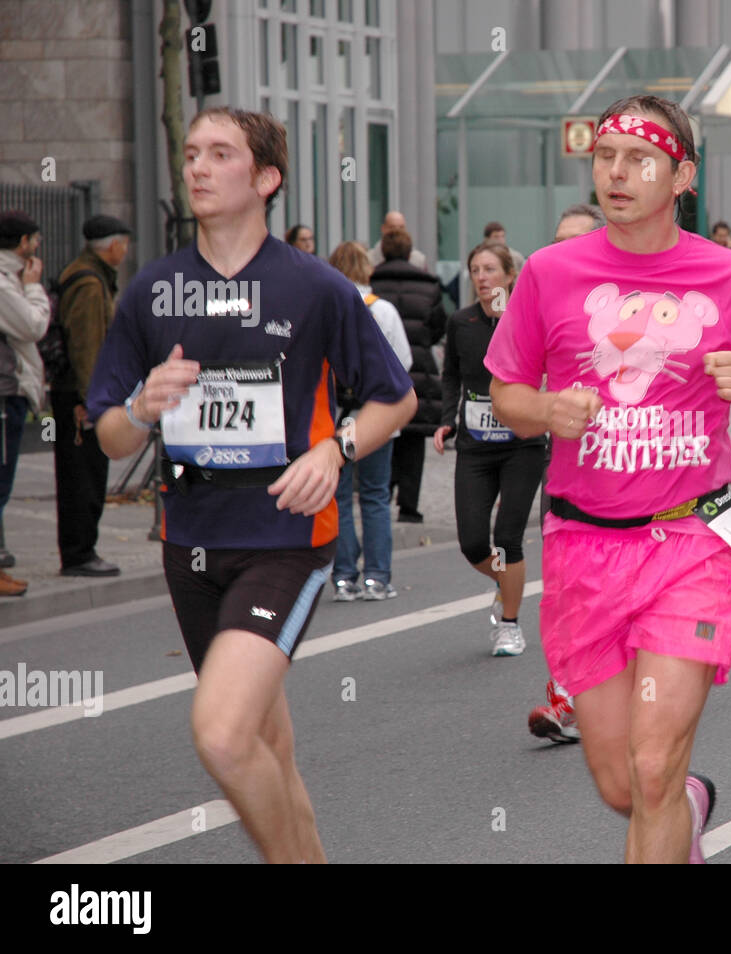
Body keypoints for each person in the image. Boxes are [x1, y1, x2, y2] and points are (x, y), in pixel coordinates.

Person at [87, 107, 415, 863]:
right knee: (267, 745)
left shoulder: (317, 289)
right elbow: (108, 433)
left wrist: (334, 450)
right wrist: (140, 407)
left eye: (220, 154)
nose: (197, 167)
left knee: (223, 733)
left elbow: (393, 398)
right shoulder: (154, 291)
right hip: (192, 540)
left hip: (287, 535)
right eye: (193, 153)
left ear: (265, 178)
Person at [487, 95, 731, 863]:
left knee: (653, 766)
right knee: (624, 786)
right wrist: (547, 410)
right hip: (582, 548)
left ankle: (673, 798)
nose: (616, 174)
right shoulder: (552, 273)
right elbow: (505, 395)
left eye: (639, 159)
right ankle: (688, 809)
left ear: (681, 174)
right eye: (605, 157)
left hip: (691, 542)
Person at [435, 242, 546, 658]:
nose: (482, 277)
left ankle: (510, 625)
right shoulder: (460, 322)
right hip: (476, 446)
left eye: (489, 269)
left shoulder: (529, 319)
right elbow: (451, 376)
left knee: (506, 539)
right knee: (473, 543)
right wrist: (447, 418)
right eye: (475, 270)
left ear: (509, 275)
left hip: (523, 444)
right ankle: (507, 583)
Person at [525, 204, 608, 745]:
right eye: (557, 241)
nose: (564, 253)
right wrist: (542, 407)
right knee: (567, 593)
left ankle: (612, 692)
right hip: (570, 479)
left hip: (643, 486)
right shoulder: (544, 300)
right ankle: (566, 698)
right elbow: (512, 385)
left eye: (577, 241)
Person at [328, 241, 413, 601]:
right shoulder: (386, 311)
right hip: (378, 417)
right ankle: (376, 577)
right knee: (376, 495)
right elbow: (404, 364)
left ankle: (344, 576)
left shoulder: (326, 310)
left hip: (338, 418)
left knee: (341, 497)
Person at [53, 214, 133, 578]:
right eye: (125, 243)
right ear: (113, 245)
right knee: (82, 477)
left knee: (86, 473)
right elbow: (86, 346)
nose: (127, 251)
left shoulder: (93, 275)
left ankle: (82, 550)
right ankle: (79, 553)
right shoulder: (89, 282)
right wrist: (93, 399)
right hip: (80, 398)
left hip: (83, 393)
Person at [371, 226, 446, 523]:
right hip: (418, 369)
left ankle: (382, 492)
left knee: (383, 433)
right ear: (409, 252)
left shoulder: (372, 284)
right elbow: (438, 326)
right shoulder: (429, 286)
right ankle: (410, 506)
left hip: (381, 371)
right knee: (413, 438)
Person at [0, 209, 50, 595]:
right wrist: (33, 286)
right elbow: (32, 325)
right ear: (22, 244)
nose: (37, 246)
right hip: (5, 396)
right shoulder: (4, 282)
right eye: (34, 239)